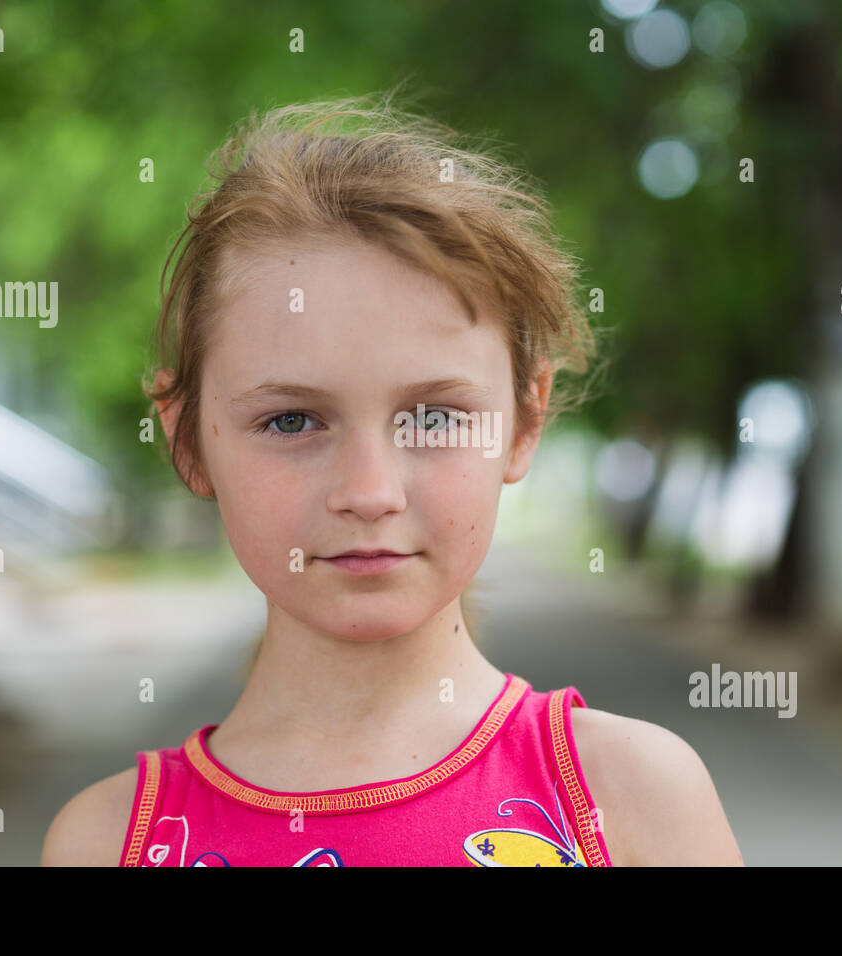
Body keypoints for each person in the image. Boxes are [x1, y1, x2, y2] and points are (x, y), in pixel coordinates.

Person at [41, 89, 743, 867]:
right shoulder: (110, 845)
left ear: (524, 422)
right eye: (291, 422)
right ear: (188, 443)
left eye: (435, 418)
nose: (371, 493)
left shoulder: (628, 800)